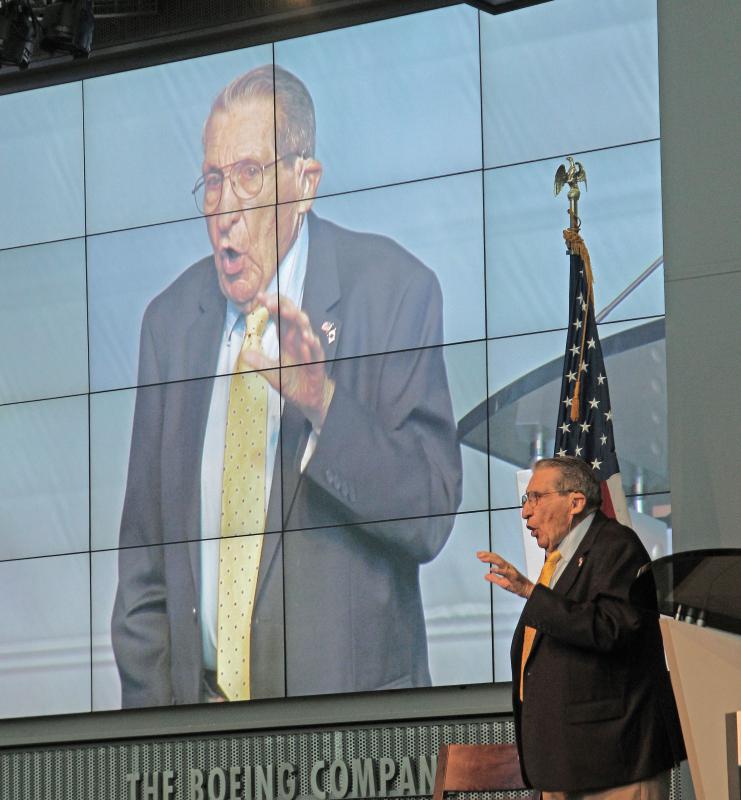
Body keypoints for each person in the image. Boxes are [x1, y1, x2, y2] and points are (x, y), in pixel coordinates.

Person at [111, 64, 462, 707]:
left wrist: (320, 403)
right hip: (201, 753)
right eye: (213, 182)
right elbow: (145, 565)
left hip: (349, 745)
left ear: (304, 184)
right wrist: (157, 732)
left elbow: (429, 512)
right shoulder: (170, 324)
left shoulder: (392, 292)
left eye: (248, 176)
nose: (224, 210)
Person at [477, 457, 684, 800]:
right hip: (565, 763)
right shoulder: (558, 562)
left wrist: (530, 592)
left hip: (614, 761)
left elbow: (612, 628)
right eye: (525, 500)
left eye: (536, 498)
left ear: (574, 502)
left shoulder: (616, 546)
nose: (525, 512)